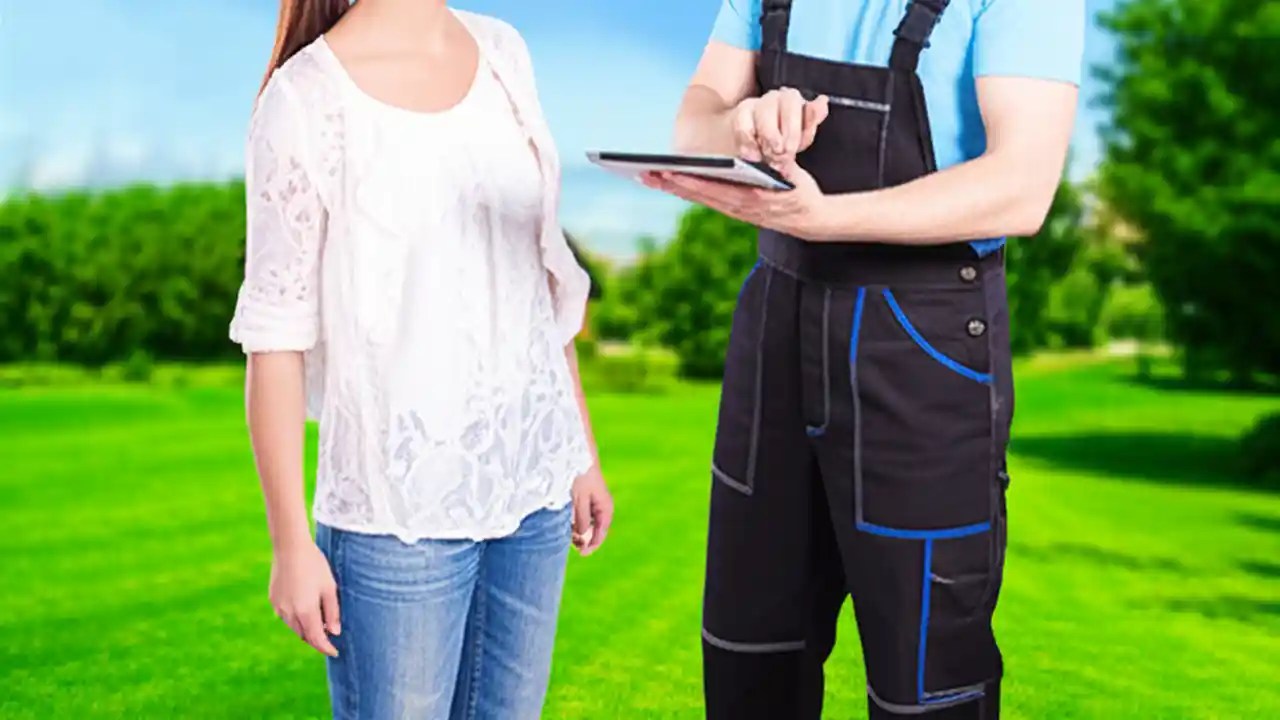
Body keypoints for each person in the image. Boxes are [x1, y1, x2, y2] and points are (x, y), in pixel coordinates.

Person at [645, 1, 1083, 718]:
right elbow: (696, 117)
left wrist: (827, 220)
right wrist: (742, 126)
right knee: (747, 661)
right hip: (774, 331)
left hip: (923, 346)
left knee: (928, 686)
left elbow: (1022, 185)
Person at [229, 1, 613, 718]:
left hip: (532, 493)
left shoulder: (503, 52)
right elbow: (274, 336)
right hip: (393, 516)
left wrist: (578, 450)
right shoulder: (306, 100)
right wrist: (289, 544)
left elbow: (537, 276)